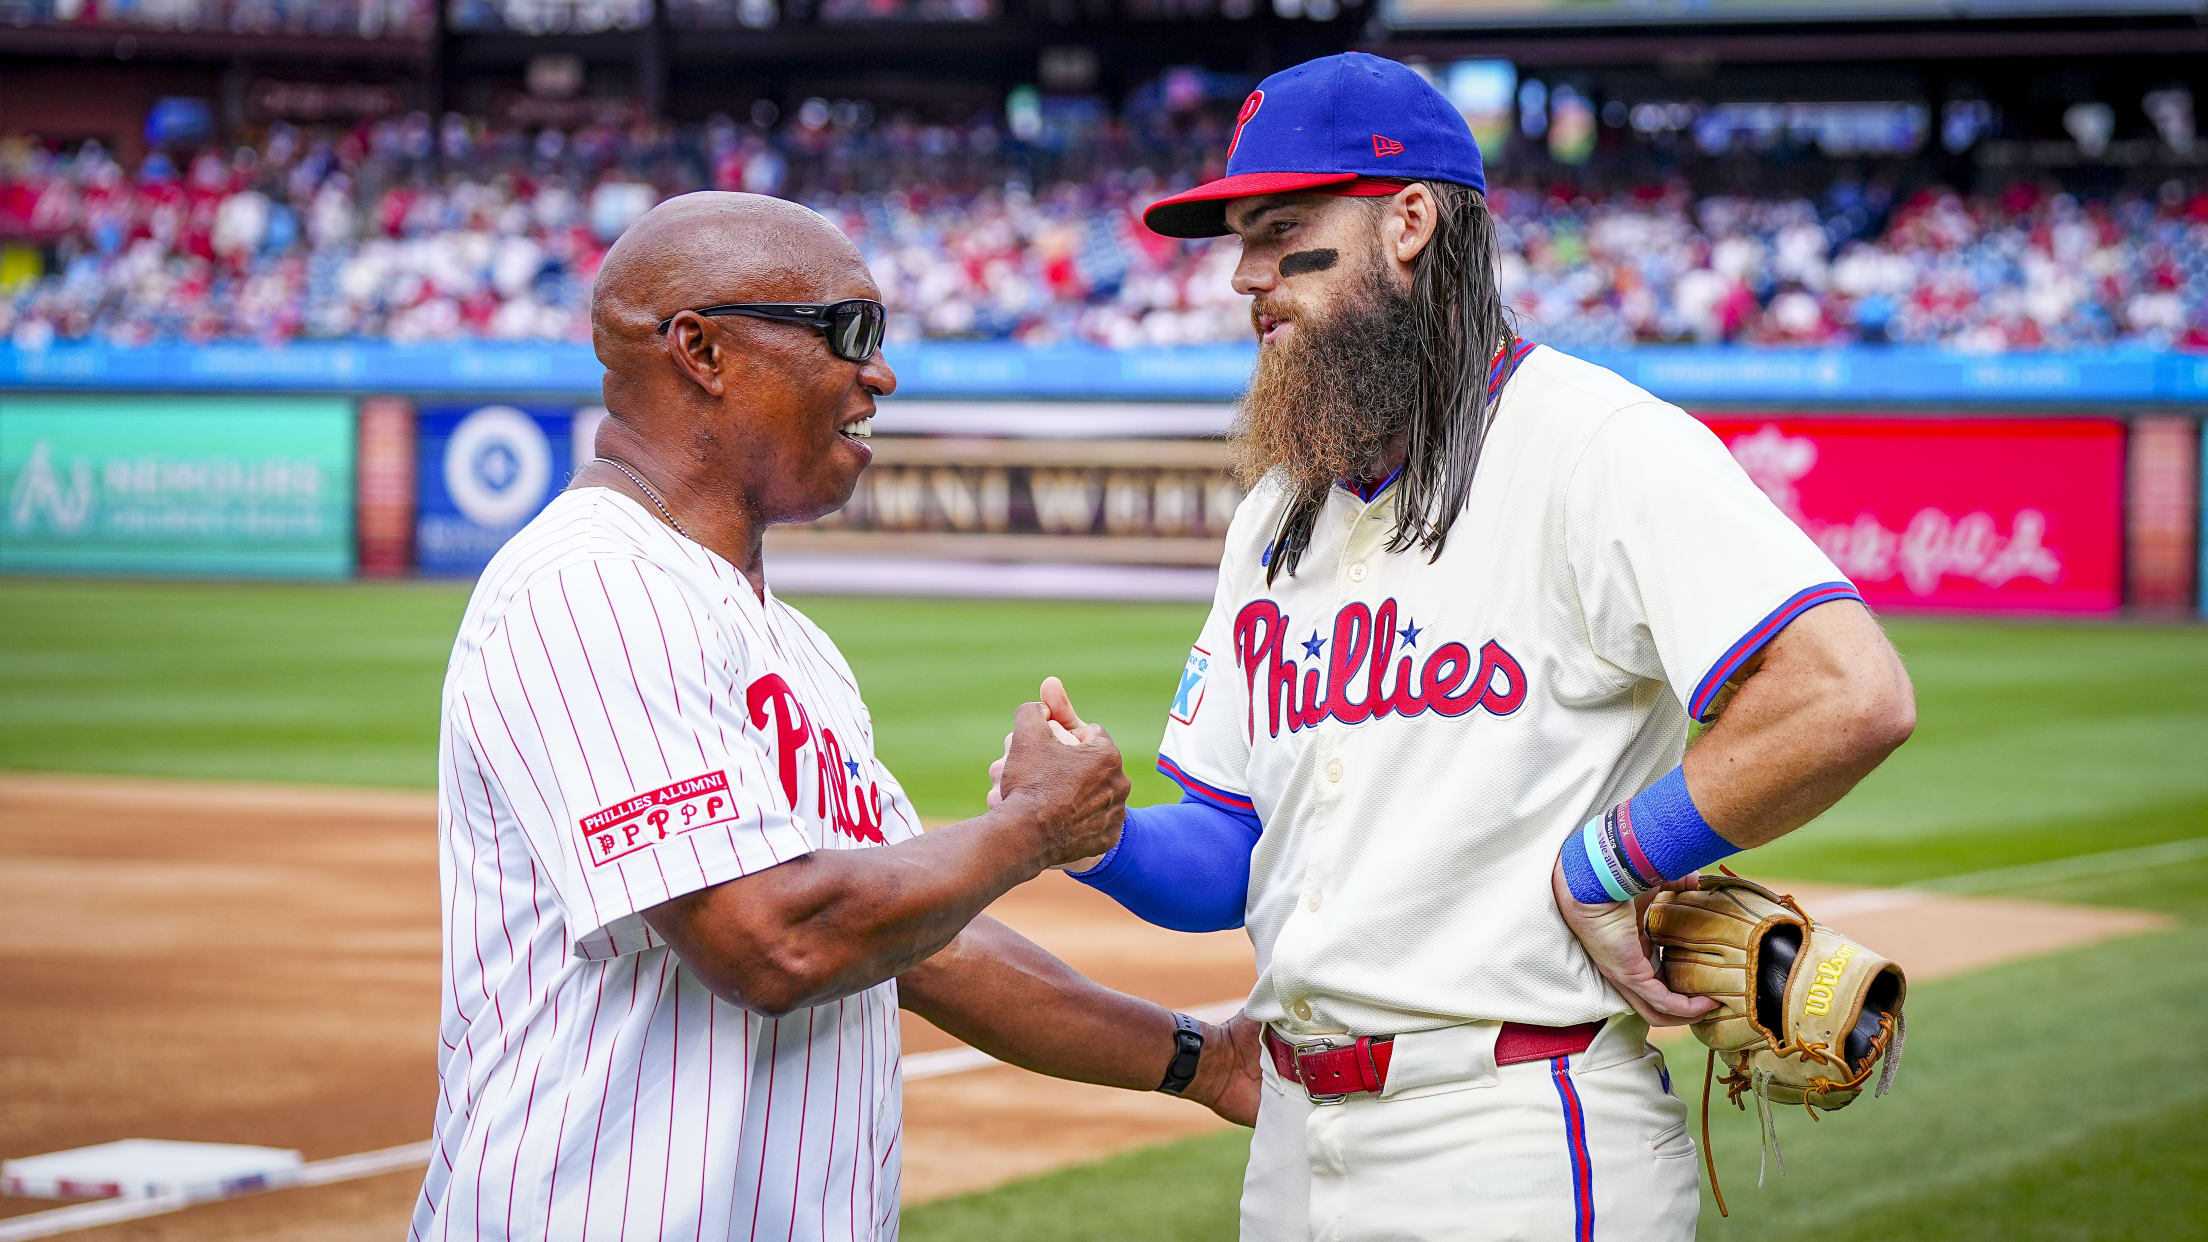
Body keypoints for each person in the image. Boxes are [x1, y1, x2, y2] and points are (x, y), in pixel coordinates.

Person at [1002, 53, 1917, 1241]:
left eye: (1283, 234)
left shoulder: (1595, 445)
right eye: (1239, 240)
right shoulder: (1277, 512)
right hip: (1292, 1134)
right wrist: (1092, 831)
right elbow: (1236, 856)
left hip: (1517, 1126)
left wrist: (1608, 865)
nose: (1245, 278)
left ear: (1408, 223)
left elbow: (1847, 692)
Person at [415, 190, 1260, 1242]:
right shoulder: (592, 585)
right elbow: (772, 941)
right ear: (702, 351)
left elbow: (923, 946)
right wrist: (1031, 830)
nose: (880, 374)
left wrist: (1202, 1059)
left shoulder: (794, 647)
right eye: (847, 331)